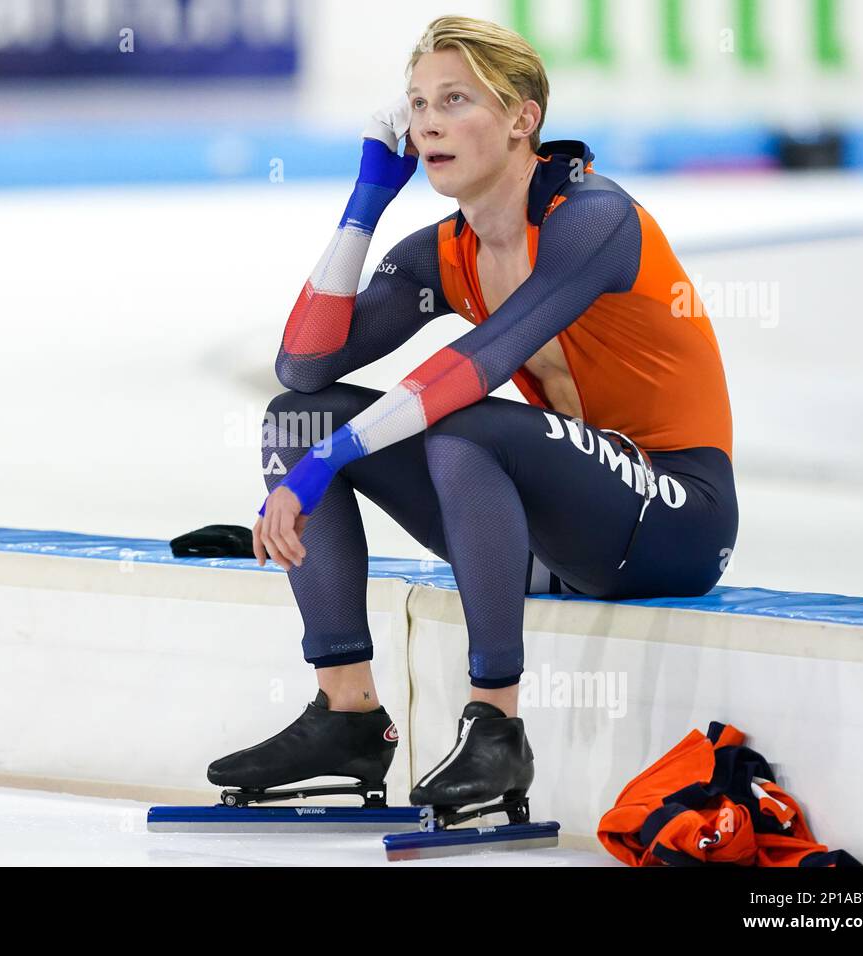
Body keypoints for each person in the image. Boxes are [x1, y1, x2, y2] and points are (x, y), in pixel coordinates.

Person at [209, 15, 737, 817]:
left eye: (455, 100)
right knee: (296, 418)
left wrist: (327, 468)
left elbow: (478, 367)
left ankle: (497, 731)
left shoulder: (592, 220)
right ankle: (346, 714)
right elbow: (305, 366)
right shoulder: (445, 253)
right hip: (558, 533)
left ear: (524, 118)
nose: (427, 124)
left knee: (459, 427)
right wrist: (367, 198)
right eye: (417, 104)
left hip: (676, 519)